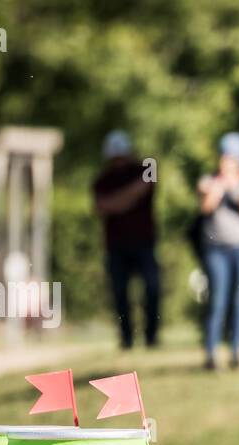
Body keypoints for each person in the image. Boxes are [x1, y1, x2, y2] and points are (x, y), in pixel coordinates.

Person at [196, 132, 239, 370]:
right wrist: (221, 185)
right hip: (216, 249)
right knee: (218, 300)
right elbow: (206, 208)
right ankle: (211, 353)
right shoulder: (209, 180)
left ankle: (236, 351)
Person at [92, 130, 160, 349]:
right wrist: (132, 194)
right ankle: (126, 338)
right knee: (120, 293)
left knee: (152, 287)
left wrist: (118, 201)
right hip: (116, 246)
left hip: (144, 243)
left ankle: (151, 336)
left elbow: (149, 179)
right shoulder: (102, 180)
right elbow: (102, 206)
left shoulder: (145, 168)